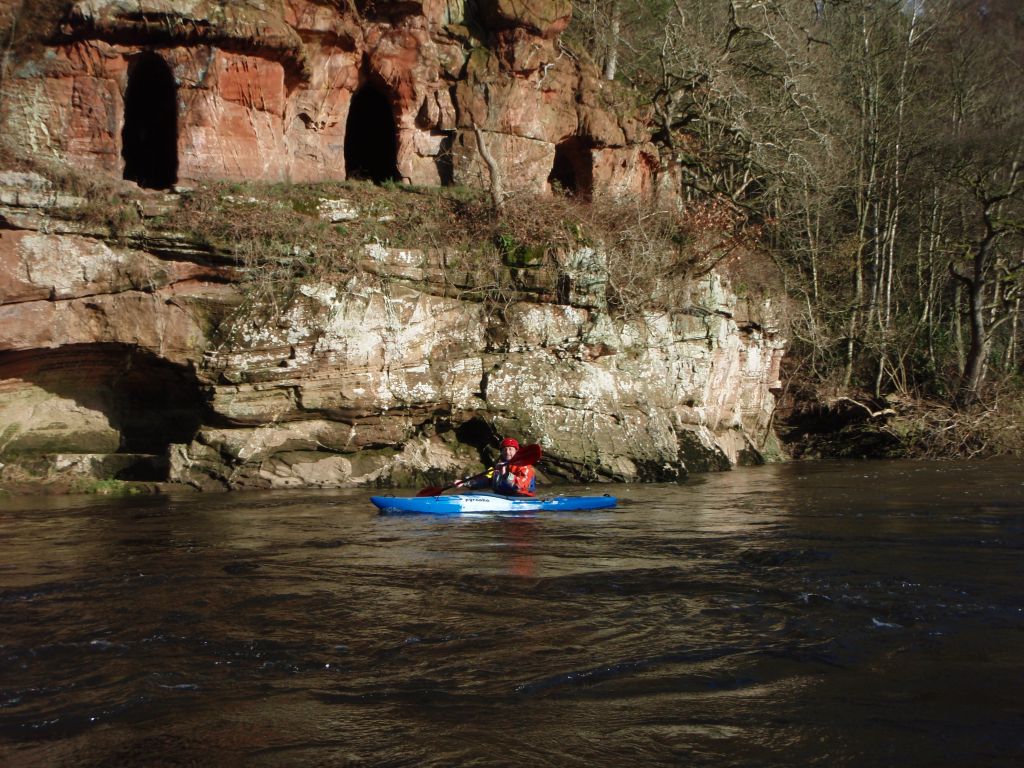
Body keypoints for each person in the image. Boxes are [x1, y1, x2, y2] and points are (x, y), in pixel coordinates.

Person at [454, 438, 536, 496]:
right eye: (505, 449)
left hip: (521, 498)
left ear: (516, 451)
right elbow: (486, 481)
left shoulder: (525, 467)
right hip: (502, 497)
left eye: (510, 449)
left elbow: (521, 485)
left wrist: (505, 475)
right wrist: (464, 482)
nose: (507, 452)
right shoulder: (500, 465)